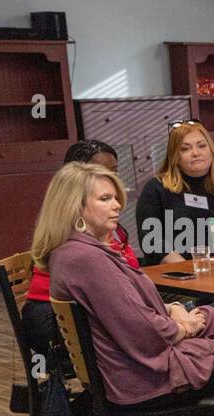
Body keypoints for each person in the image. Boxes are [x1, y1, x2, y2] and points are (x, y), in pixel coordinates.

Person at [38, 163, 214, 414]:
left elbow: (130, 313)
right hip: (144, 377)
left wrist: (174, 310)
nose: (117, 205)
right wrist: (185, 326)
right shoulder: (86, 259)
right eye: (105, 199)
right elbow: (143, 331)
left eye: (115, 198)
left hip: (135, 364)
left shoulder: (72, 252)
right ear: (74, 207)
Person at [21, 141, 140, 360]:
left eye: (113, 171)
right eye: (100, 171)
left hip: (79, 309)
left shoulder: (98, 225)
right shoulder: (75, 239)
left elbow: (130, 270)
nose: (110, 178)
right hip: (54, 320)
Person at [134, 120, 214, 265]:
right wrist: (188, 269)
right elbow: (151, 240)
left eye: (202, 146)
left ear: (212, 150)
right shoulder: (156, 188)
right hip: (176, 275)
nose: (196, 153)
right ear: (175, 157)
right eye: (185, 149)